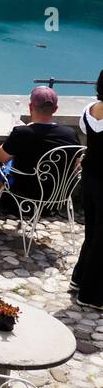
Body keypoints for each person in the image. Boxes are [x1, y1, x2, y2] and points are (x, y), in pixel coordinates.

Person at [0, 86, 79, 207]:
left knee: (1, 165)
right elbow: (76, 165)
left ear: (30, 107)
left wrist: (11, 140)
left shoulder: (22, 132)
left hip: (24, 196)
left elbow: (0, 156)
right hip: (57, 197)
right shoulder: (70, 134)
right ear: (55, 109)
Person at [72, 71, 103, 311]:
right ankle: (91, 294)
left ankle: (79, 278)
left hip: (91, 176)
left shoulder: (90, 109)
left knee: (92, 231)